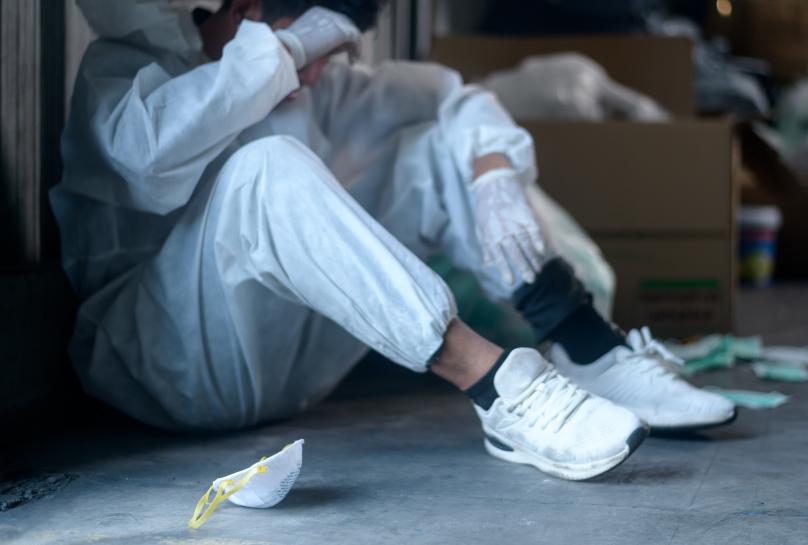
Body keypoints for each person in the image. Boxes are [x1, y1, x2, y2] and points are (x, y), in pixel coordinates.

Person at [52, 0, 735, 481]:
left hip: (288, 376)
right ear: (249, 15)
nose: (320, 72)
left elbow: (454, 97)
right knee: (265, 170)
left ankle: (585, 345)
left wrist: (493, 173)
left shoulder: (324, 91)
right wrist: (286, 53)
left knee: (438, 149)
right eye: (311, 49)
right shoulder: (130, 72)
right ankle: (498, 390)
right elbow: (145, 164)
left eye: (330, 53)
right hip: (165, 373)